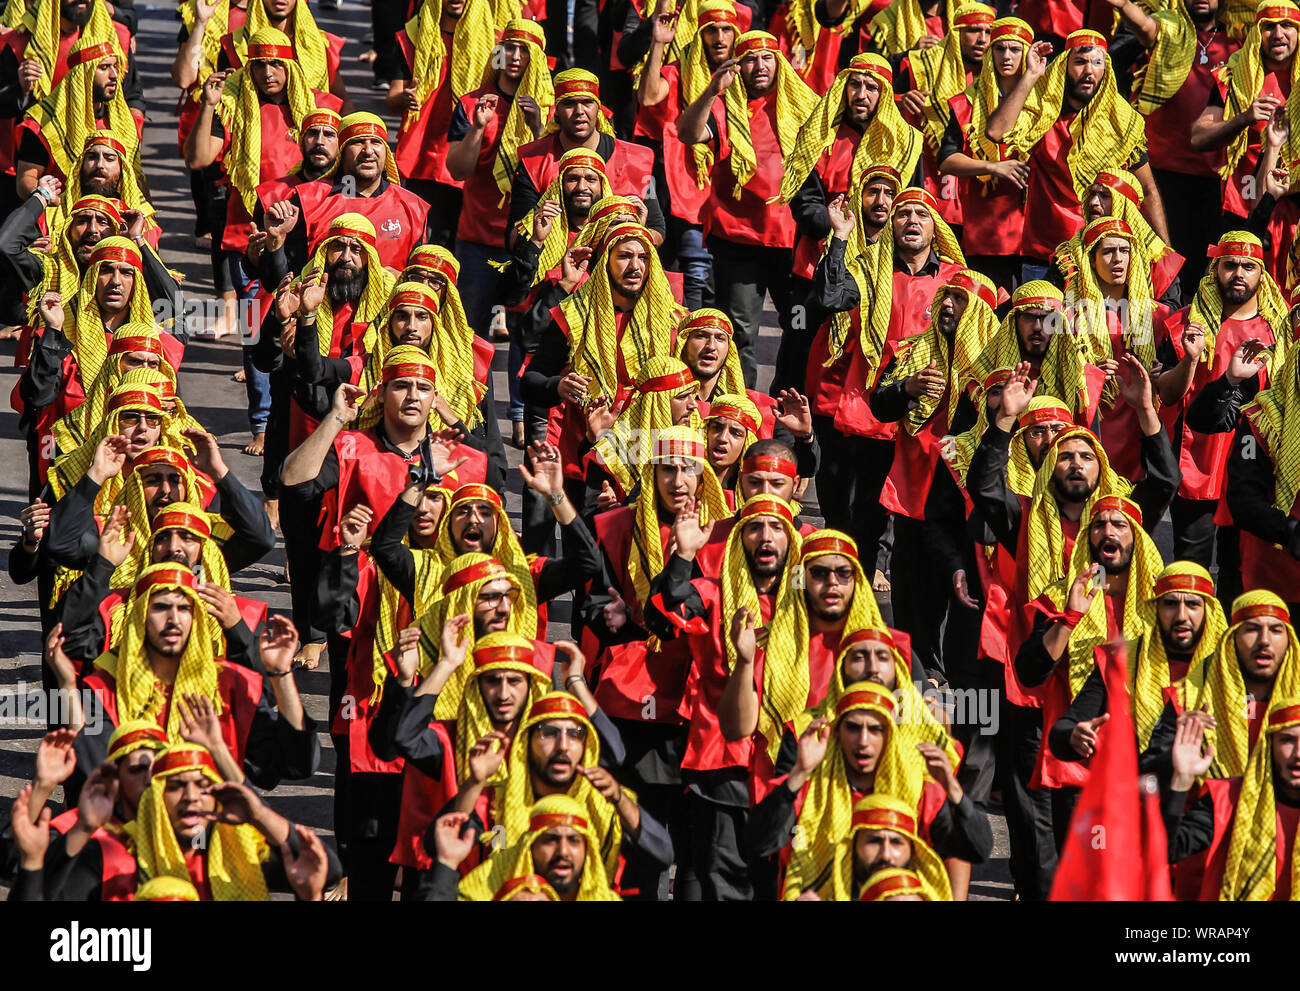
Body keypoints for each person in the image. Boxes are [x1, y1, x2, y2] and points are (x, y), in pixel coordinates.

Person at [677, 30, 816, 391]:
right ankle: (743, 414)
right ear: (738, 68)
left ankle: (789, 415)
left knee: (800, 327)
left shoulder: (803, 105)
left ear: (779, 63)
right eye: (750, 59)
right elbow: (688, 134)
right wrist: (711, 90)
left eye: (767, 57)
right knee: (740, 337)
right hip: (738, 242)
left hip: (794, 243)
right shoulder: (725, 108)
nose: (759, 66)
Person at [1158, 230, 1288, 599]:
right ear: (1215, 269)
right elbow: (1166, 394)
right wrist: (1190, 358)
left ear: (1262, 274)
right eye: (1230, 265)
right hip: (1198, 460)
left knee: (1241, 574)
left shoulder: (1280, 332)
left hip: (1254, 466)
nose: (1238, 273)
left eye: (1249, 266)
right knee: (1191, 573)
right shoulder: (1186, 323)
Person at [985, 29, 1167, 280]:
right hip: (1044, 258)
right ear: (1064, 66)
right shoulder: (1043, 113)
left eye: (1097, 62)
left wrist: (1165, 255)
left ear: (1106, 69)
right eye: (1080, 62)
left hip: (1103, 257)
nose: (1089, 70)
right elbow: (996, 131)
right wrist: (1031, 75)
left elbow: (1147, 190)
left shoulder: (1122, 120)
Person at [1121, 0, 1239, 296]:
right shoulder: (1171, 28)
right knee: (1168, 264)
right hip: (1164, 174)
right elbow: (1146, 28)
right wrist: (1123, 4)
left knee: (1209, 271)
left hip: (1217, 178)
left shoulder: (1241, 42)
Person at [1164, 698, 1300, 900]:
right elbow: (1166, 850)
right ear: (1268, 747)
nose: (1298, 754)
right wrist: (1181, 780)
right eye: (1287, 740)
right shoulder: (1226, 798)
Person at [938, 17, 1037, 287]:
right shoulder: (965, 102)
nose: (1007, 56)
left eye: (1015, 49)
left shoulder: (1045, 101)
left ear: (1028, 54)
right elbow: (946, 160)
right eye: (999, 49)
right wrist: (992, 166)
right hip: (989, 231)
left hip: (1039, 229)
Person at [388, 0, 495, 246]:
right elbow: (392, 99)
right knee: (416, 239)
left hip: (468, 154)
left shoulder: (492, 40)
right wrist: (404, 98)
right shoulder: (411, 36)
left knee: (453, 243)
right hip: (421, 157)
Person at [1190, 0, 1299, 224]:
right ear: (1256, 33)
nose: (1278, 34)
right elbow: (1199, 138)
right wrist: (1244, 118)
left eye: (1287, 25)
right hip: (1245, 209)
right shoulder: (1235, 76)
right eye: (1268, 27)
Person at [435, 794, 623, 900]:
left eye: (574, 840)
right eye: (550, 839)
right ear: (530, 846)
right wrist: (447, 862)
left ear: (587, 850)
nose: (563, 851)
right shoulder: (493, 879)